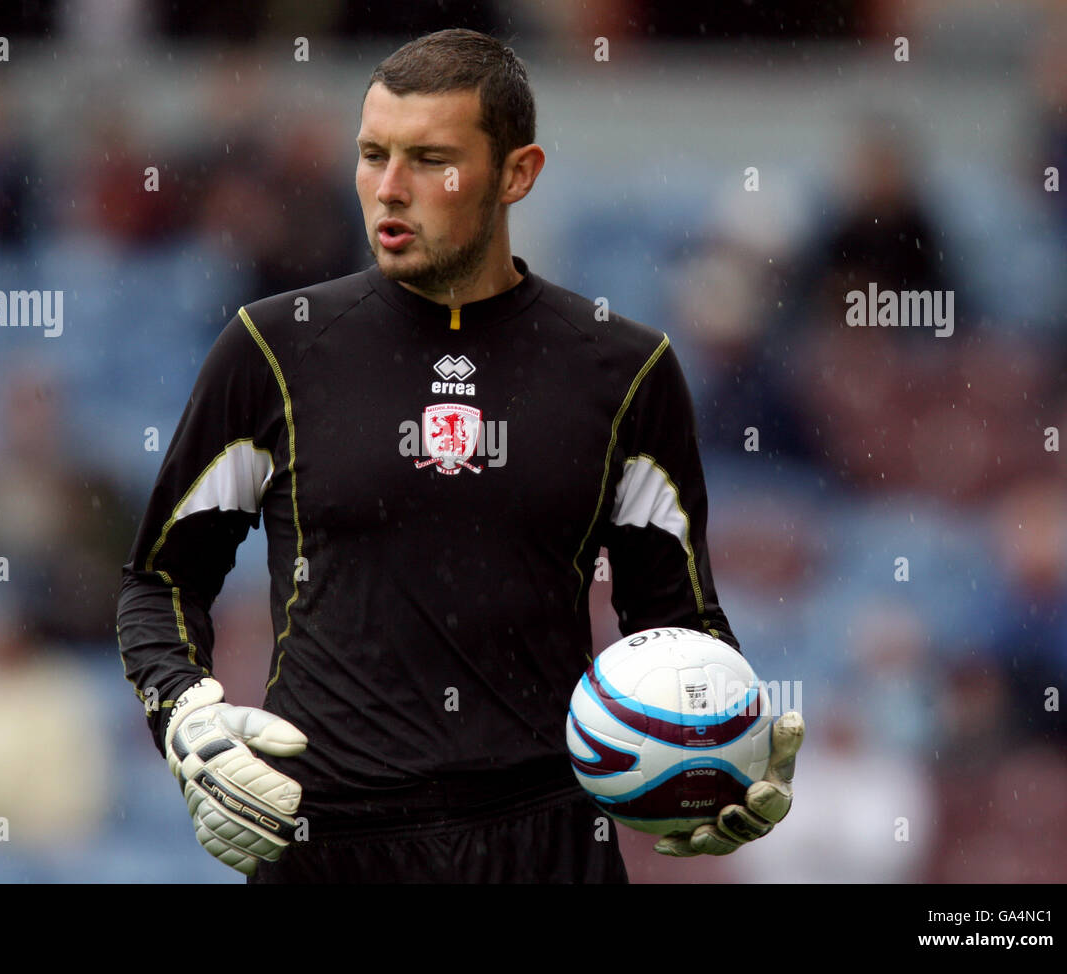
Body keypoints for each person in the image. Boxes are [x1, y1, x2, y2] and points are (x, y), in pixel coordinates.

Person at [116, 28, 803, 884]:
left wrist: (726, 751)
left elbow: (676, 620)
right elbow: (160, 583)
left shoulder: (626, 371)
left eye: (430, 159)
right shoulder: (272, 348)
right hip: (326, 845)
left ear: (517, 173)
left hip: (547, 845)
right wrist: (182, 712)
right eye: (372, 155)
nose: (388, 190)